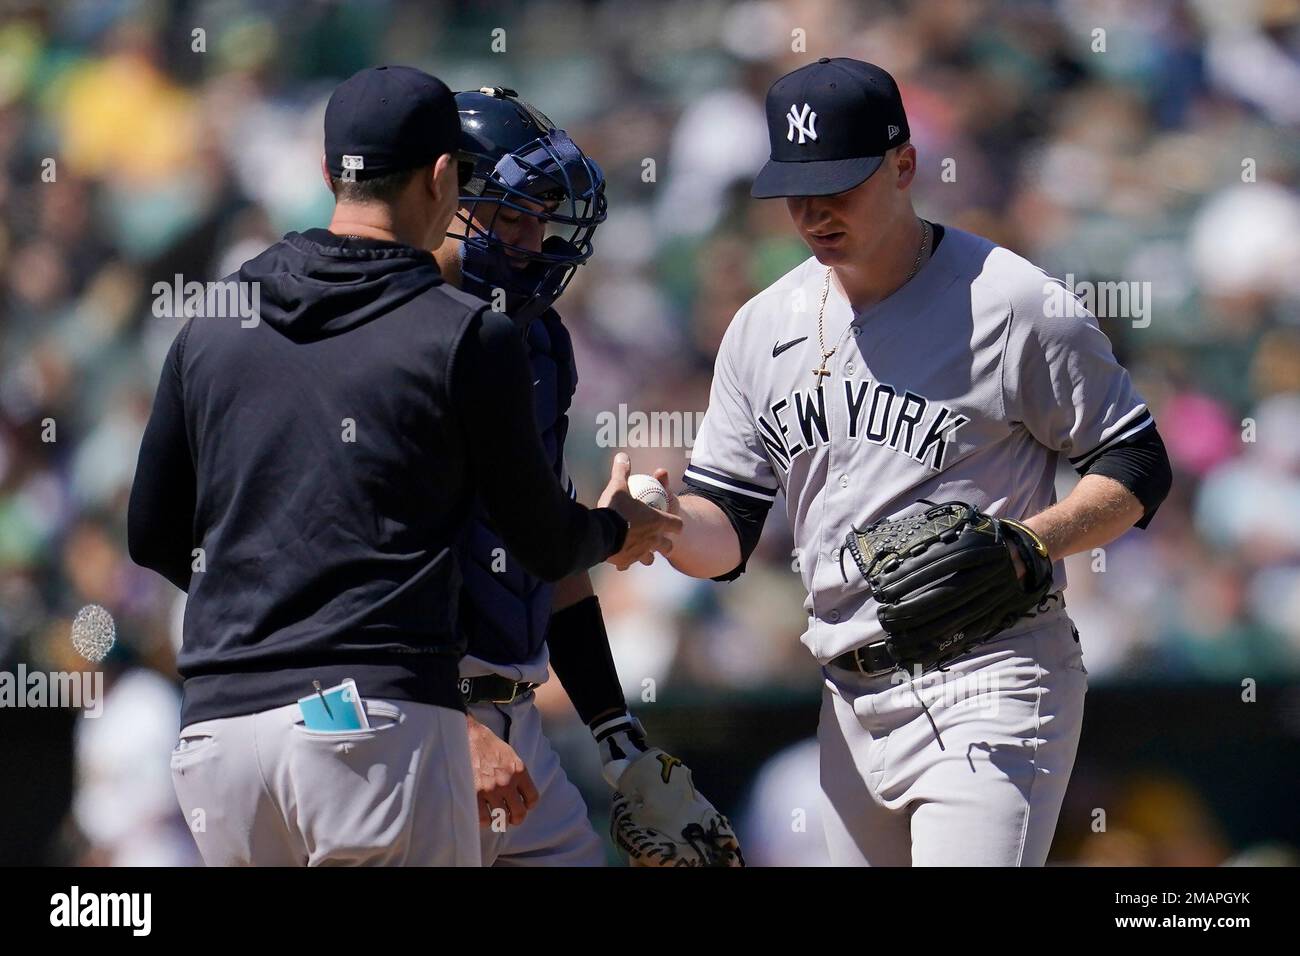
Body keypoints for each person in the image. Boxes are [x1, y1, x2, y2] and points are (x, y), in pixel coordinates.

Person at [127, 66, 678, 867]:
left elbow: (152, 536)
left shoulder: (217, 321)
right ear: (446, 179)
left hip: (226, 729)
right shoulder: (457, 335)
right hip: (384, 725)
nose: (531, 242)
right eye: (511, 215)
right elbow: (548, 544)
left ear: (328, 175)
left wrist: (279, 645)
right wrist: (617, 526)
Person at [652, 58, 1172, 866]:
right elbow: (730, 529)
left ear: (903, 166)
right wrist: (663, 522)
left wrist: (1032, 542)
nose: (814, 210)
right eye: (797, 188)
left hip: (991, 669)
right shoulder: (760, 329)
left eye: (840, 183)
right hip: (848, 694)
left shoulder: (1012, 302)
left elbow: (1137, 463)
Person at [437, 87, 730, 866]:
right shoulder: (396, 335)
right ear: (441, 194)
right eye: (509, 213)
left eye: (542, 214)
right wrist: (436, 716)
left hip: (513, 718)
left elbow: (542, 543)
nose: (534, 239)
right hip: (401, 714)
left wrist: (615, 734)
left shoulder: (534, 343)